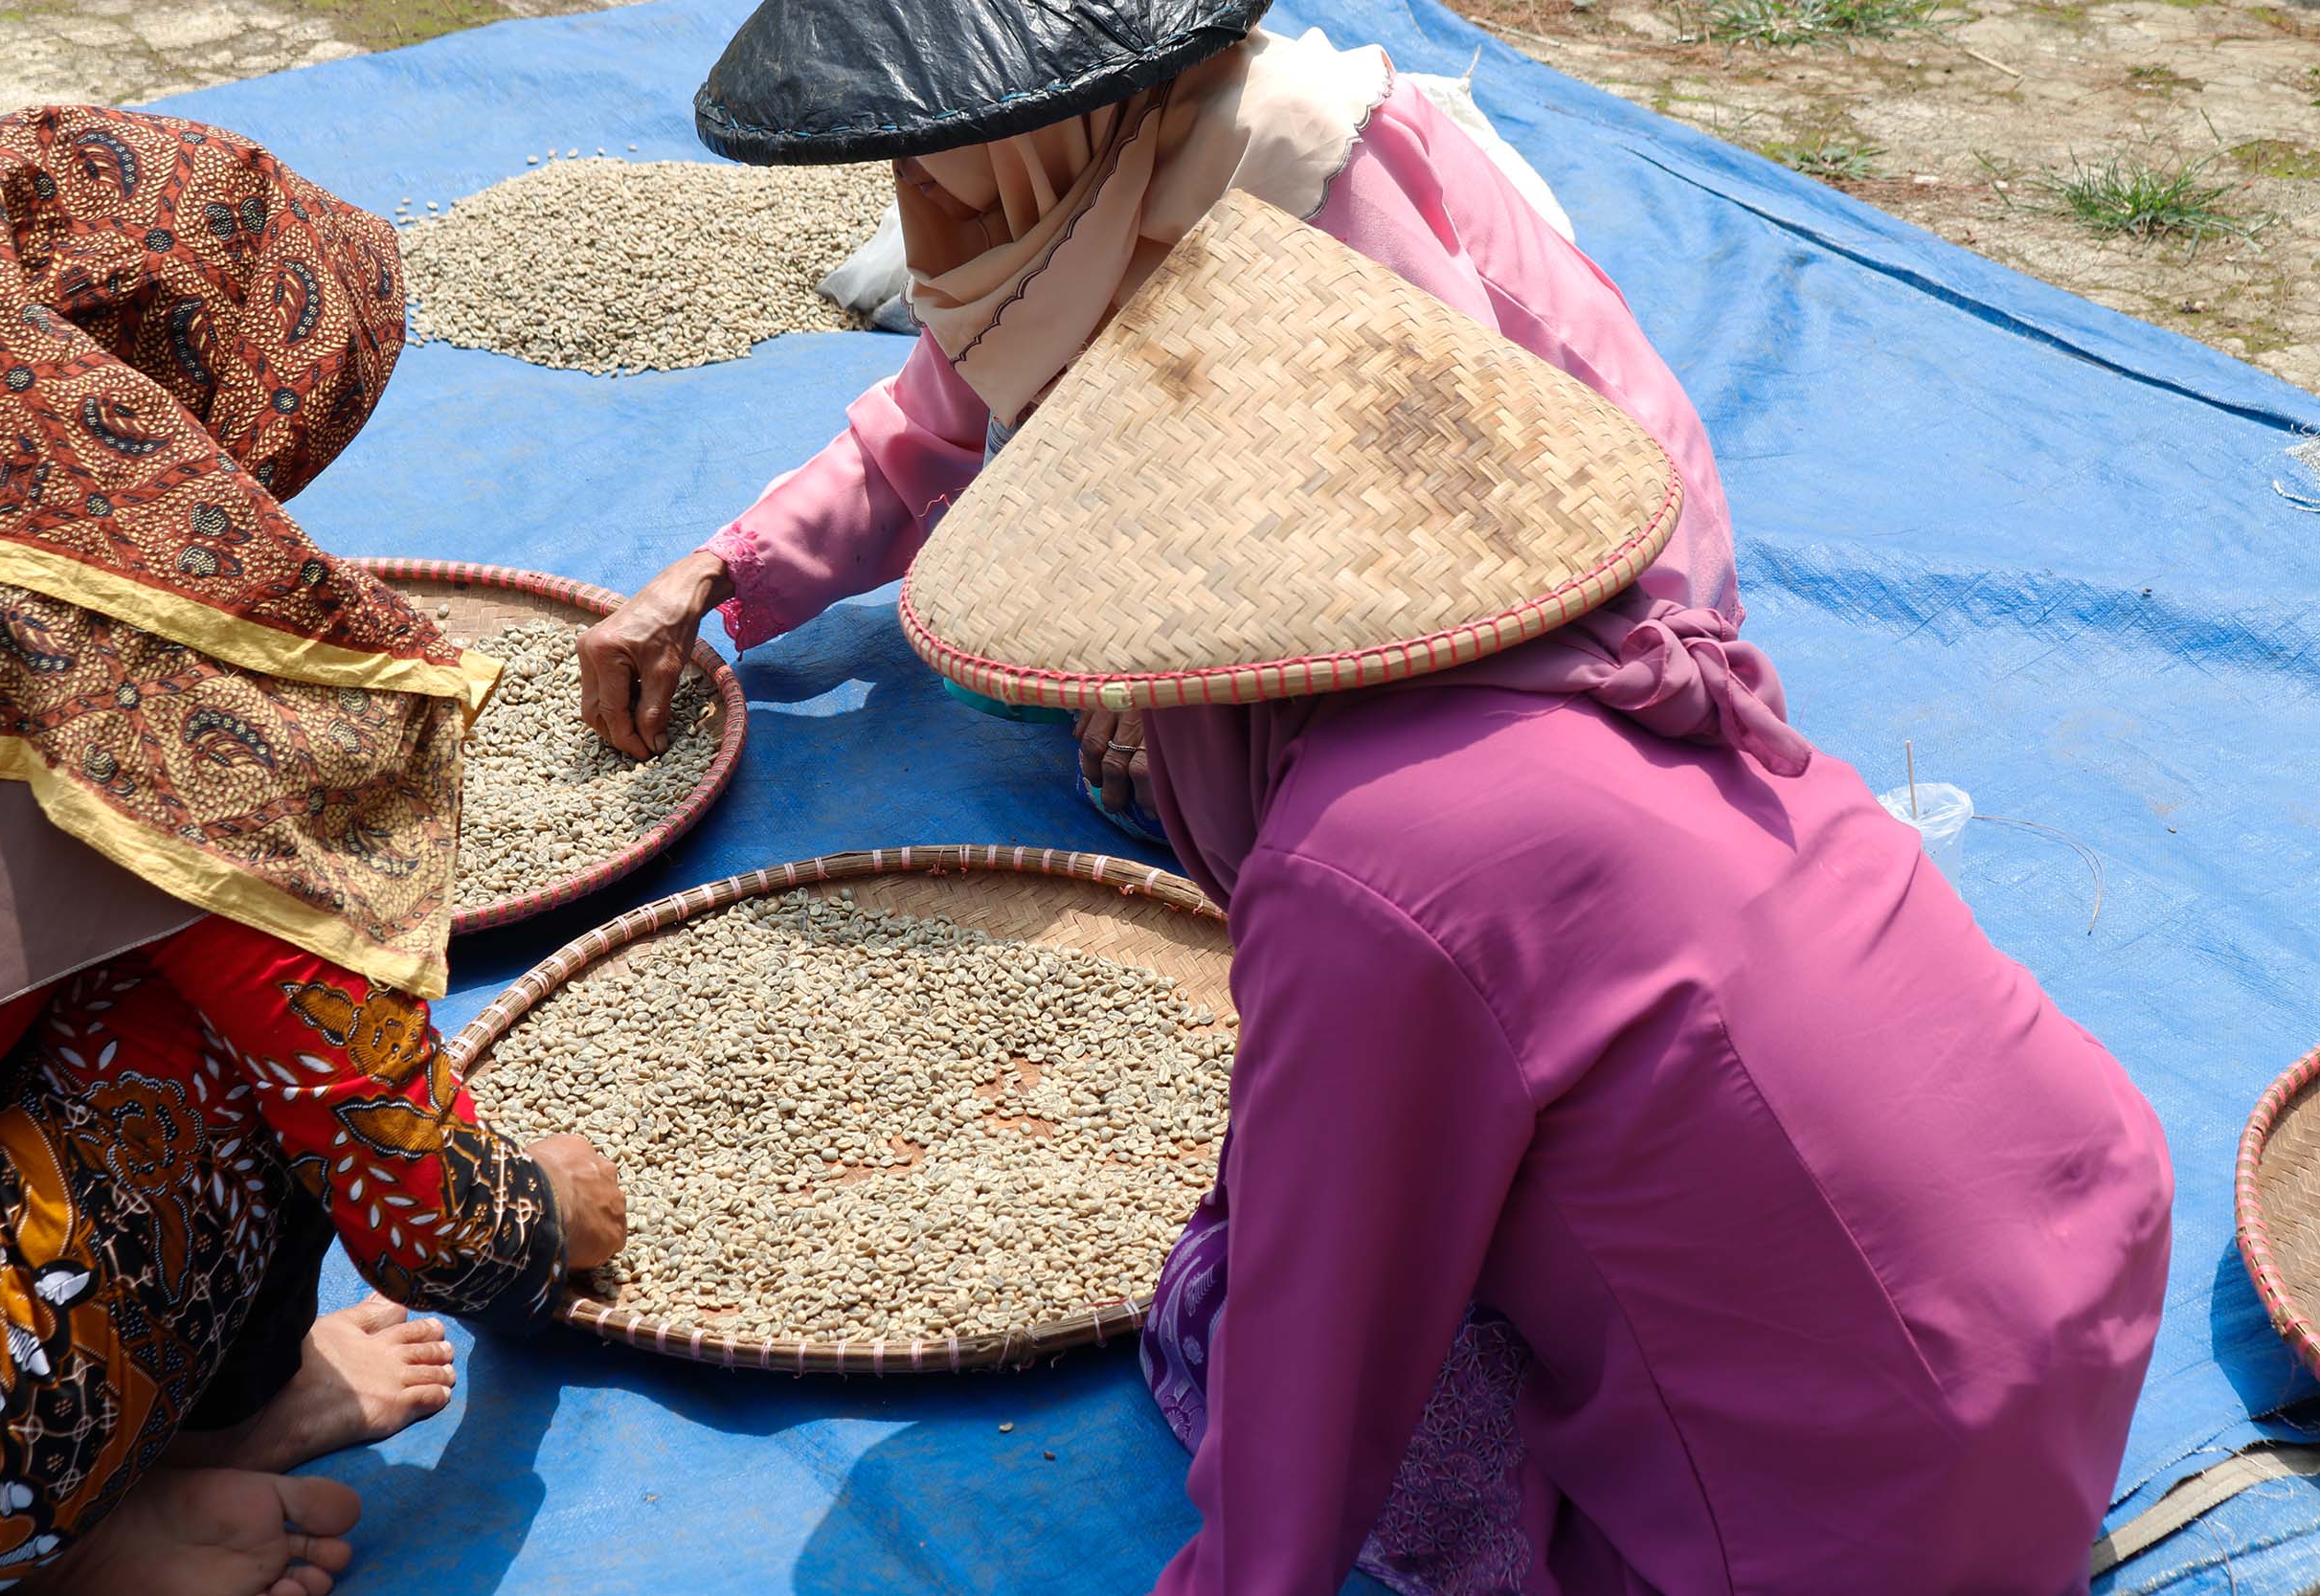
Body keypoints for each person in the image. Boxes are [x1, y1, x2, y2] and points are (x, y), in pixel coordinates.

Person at [891, 183, 2174, 1595]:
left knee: (1213, 1315)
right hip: (2078, 1321)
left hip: (1867, 1525)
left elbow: (1307, 1380)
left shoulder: (1359, 864)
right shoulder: (1625, 657)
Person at [0, 106, 624, 1596]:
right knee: (278, 945)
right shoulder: (109, 673)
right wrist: (552, 1206)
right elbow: (435, 1223)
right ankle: (58, 1529)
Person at [574, 1, 1732, 852]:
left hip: (1542, 557)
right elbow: (926, 431)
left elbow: (1442, 497)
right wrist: (714, 570)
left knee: (1397, 825)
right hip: (1314, 523)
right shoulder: (1063, 195)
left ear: (1040, 119)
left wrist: (1182, 674)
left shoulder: (1299, 162)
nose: (909, 192)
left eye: (924, 152)